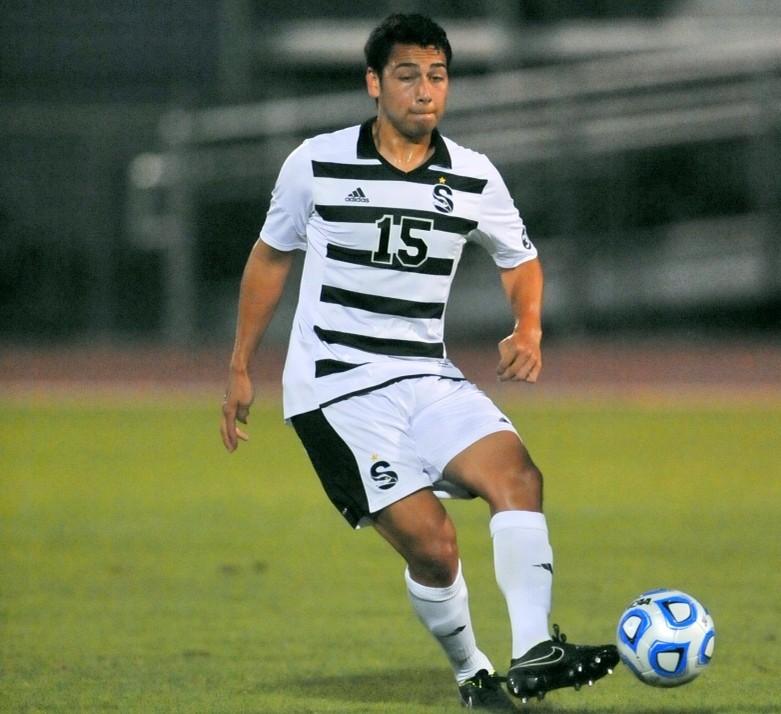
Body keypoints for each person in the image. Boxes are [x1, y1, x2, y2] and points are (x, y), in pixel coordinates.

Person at [219, 13, 617, 710]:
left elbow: (519, 258)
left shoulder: (473, 175)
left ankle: (534, 653)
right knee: (434, 549)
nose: (425, 90)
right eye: (407, 75)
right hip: (336, 394)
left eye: (437, 76)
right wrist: (240, 365)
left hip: (424, 377)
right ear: (375, 83)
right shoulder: (315, 162)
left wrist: (528, 327)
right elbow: (271, 258)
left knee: (518, 476)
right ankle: (474, 676)